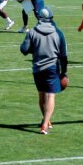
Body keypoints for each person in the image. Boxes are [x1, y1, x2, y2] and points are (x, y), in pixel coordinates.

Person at [20, 7, 68, 135]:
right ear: (51, 18)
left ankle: (47, 121)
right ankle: (45, 124)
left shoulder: (32, 32)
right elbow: (63, 56)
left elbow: (24, 50)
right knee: (50, 95)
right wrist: (64, 72)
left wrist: (35, 49)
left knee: (41, 94)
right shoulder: (58, 33)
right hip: (52, 67)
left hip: (37, 67)